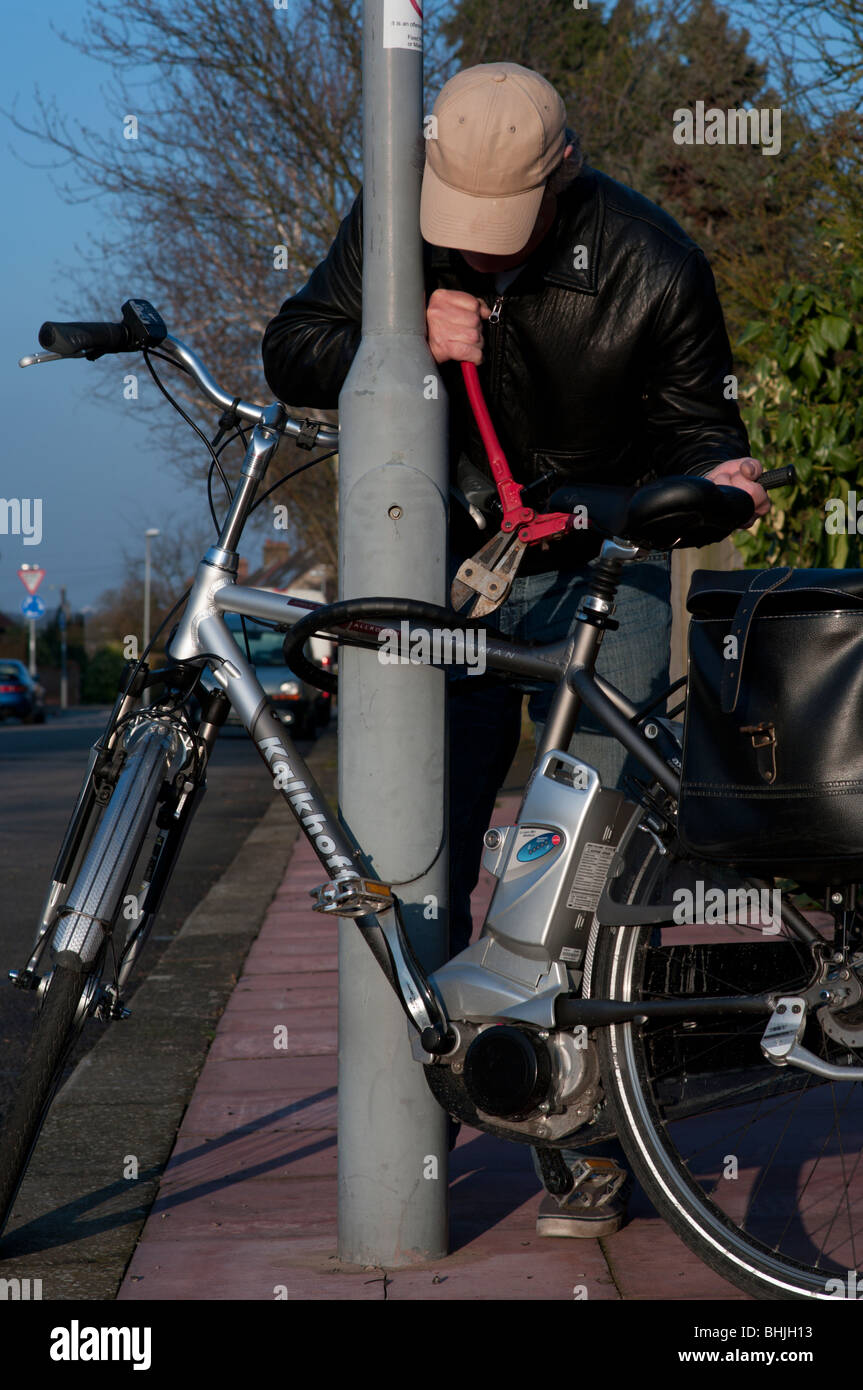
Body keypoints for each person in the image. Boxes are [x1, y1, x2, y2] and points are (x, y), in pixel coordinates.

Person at [261, 61, 769, 1238]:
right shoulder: (394, 228)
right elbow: (289, 348)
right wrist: (386, 335)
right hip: (444, 569)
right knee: (416, 835)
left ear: (567, 168)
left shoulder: (656, 264)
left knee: (579, 861)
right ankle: (411, 1113)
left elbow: (708, 450)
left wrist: (614, 510)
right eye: (458, 225)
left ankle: (583, 1135)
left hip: (608, 569)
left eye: (504, 228)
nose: (476, 252)